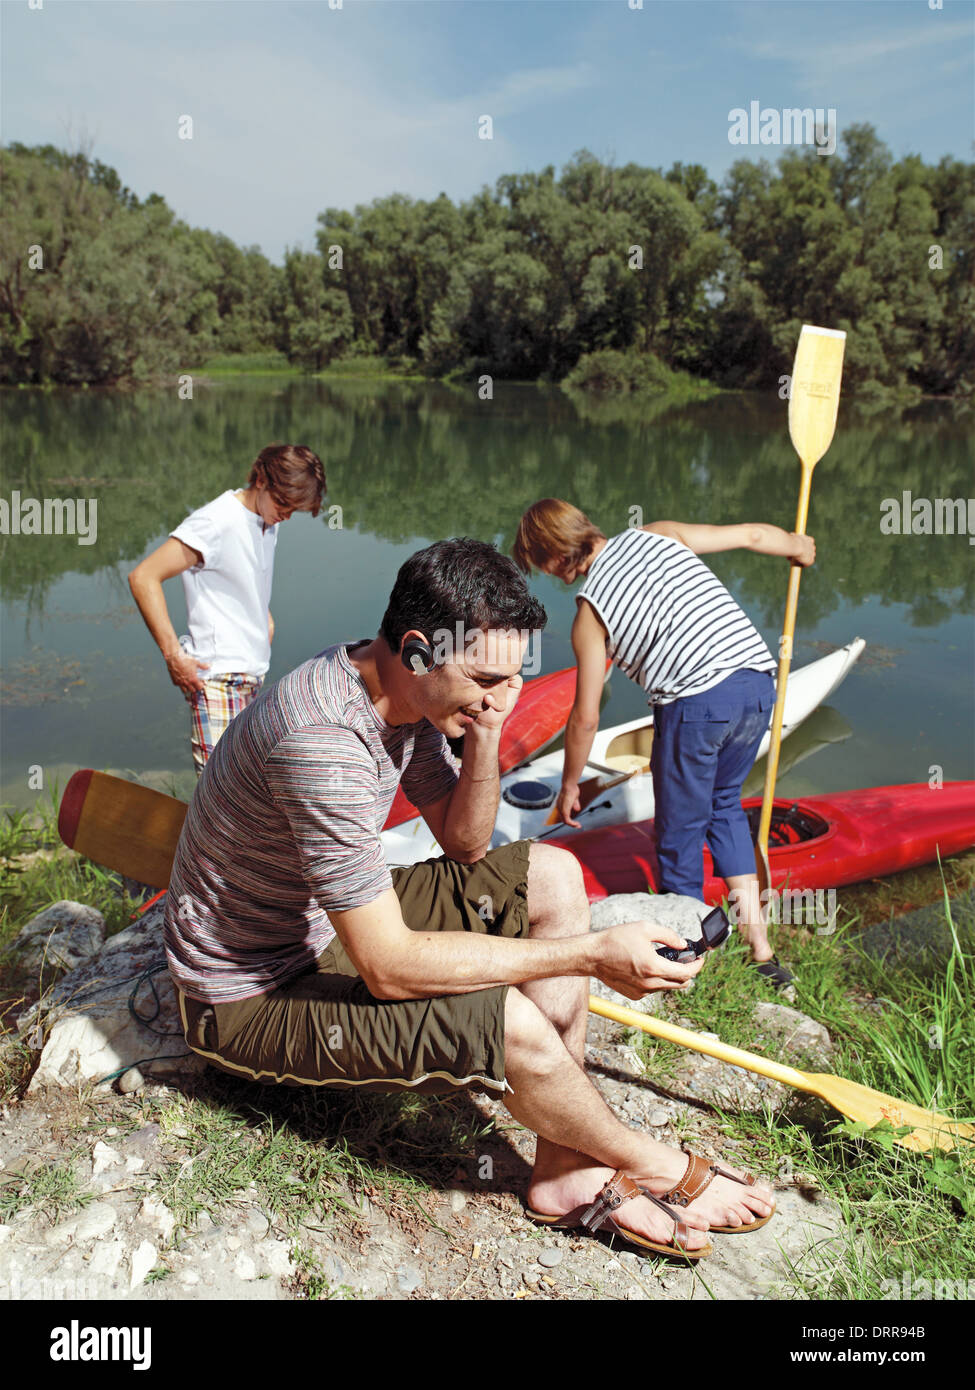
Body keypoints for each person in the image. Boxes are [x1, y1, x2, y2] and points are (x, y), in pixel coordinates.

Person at [163, 537, 775, 1259]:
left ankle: (562, 1168)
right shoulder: (322, 740)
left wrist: (484, 731)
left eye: (512, 679)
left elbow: (464, 845)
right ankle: (648, 1160)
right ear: (418, 649)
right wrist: (587, 955)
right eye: (486, 676)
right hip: (244, 1000)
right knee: (509, 1019)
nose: (499, 694)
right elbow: (389, 967)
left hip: (315, 925)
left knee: (549, 873)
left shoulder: (387, 685)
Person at [513, 499, 817, 986]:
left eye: (539, 563)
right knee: (724, 806)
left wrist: (571, 783)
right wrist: (798, 547)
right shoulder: (659, 533)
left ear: (553, 555)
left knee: (678, 833)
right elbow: (754, 536)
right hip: (757, 686)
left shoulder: (590, 616)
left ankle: (686, 960)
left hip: (695, 704)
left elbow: (585, 717)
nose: (545, 574)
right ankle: (761, 952)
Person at [129, 444, 326, 776]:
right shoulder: (217, 520)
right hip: (217, 681)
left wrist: (263, 619)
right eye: (283, 504)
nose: (286, 515)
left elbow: (243, 576)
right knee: (222, 798)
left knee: (251, 797)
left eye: (295, 510)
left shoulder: (267, 521)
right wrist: (174, 656)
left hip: (251, 680)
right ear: (261, 479)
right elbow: (144, 577)